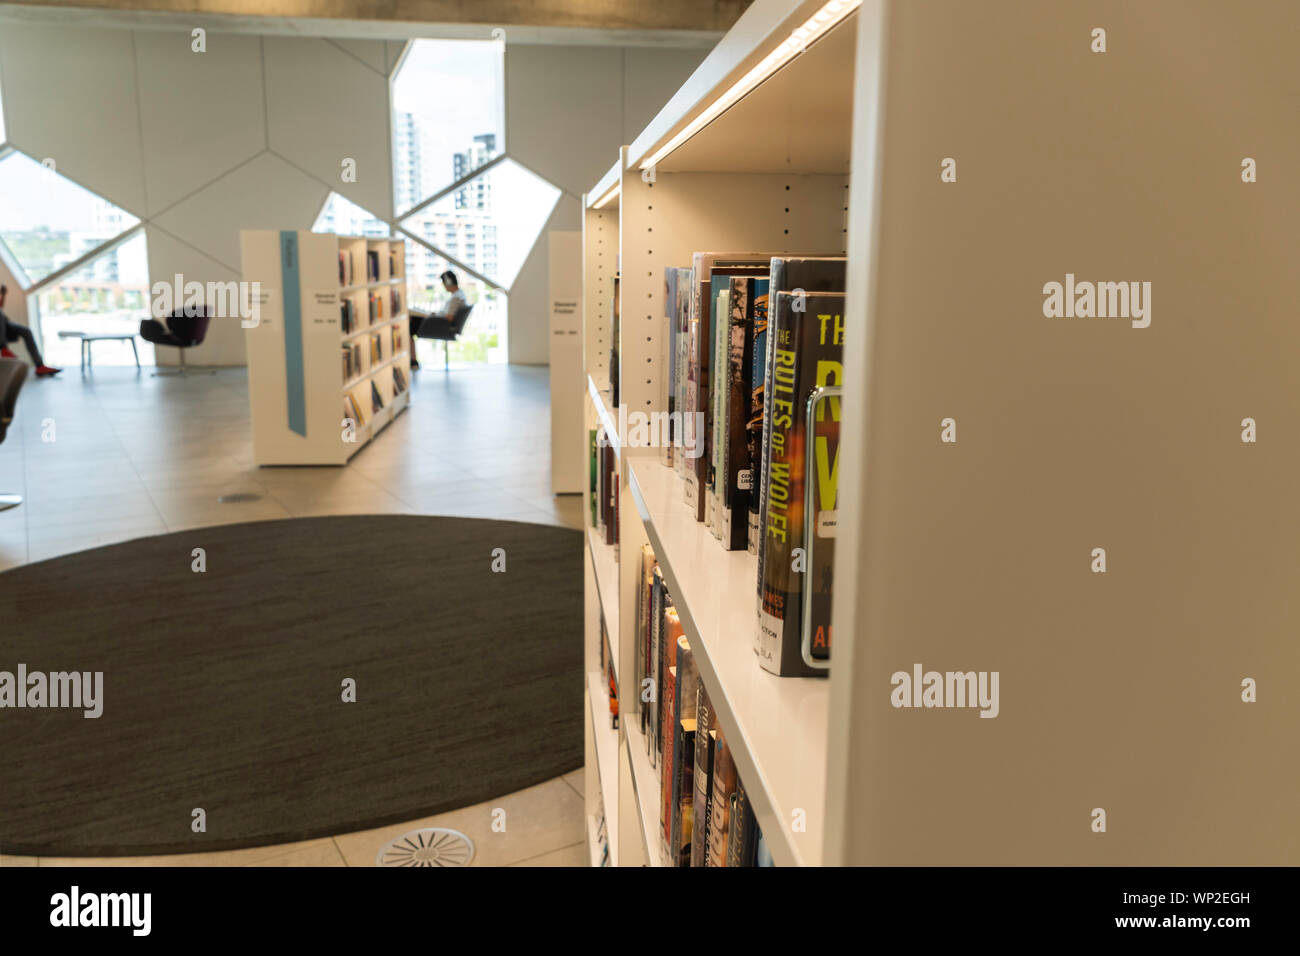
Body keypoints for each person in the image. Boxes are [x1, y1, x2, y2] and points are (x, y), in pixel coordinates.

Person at [409, 271, 467, 370]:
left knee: (410, 327)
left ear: (448, 283)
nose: (444, 286)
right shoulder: (459, 295)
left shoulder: (456, 298)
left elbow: (449, 317)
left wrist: (431, 317)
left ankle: (413, 361)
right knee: (412, 321)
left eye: (444, 284)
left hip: (442, 325)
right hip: (439, 322)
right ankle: (413, 361)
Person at [0, 284, 60, 377]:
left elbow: (1, 306)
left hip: (5, 325)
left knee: (26, 331)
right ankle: (4, 348)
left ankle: (40, 366)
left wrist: (3, 294)